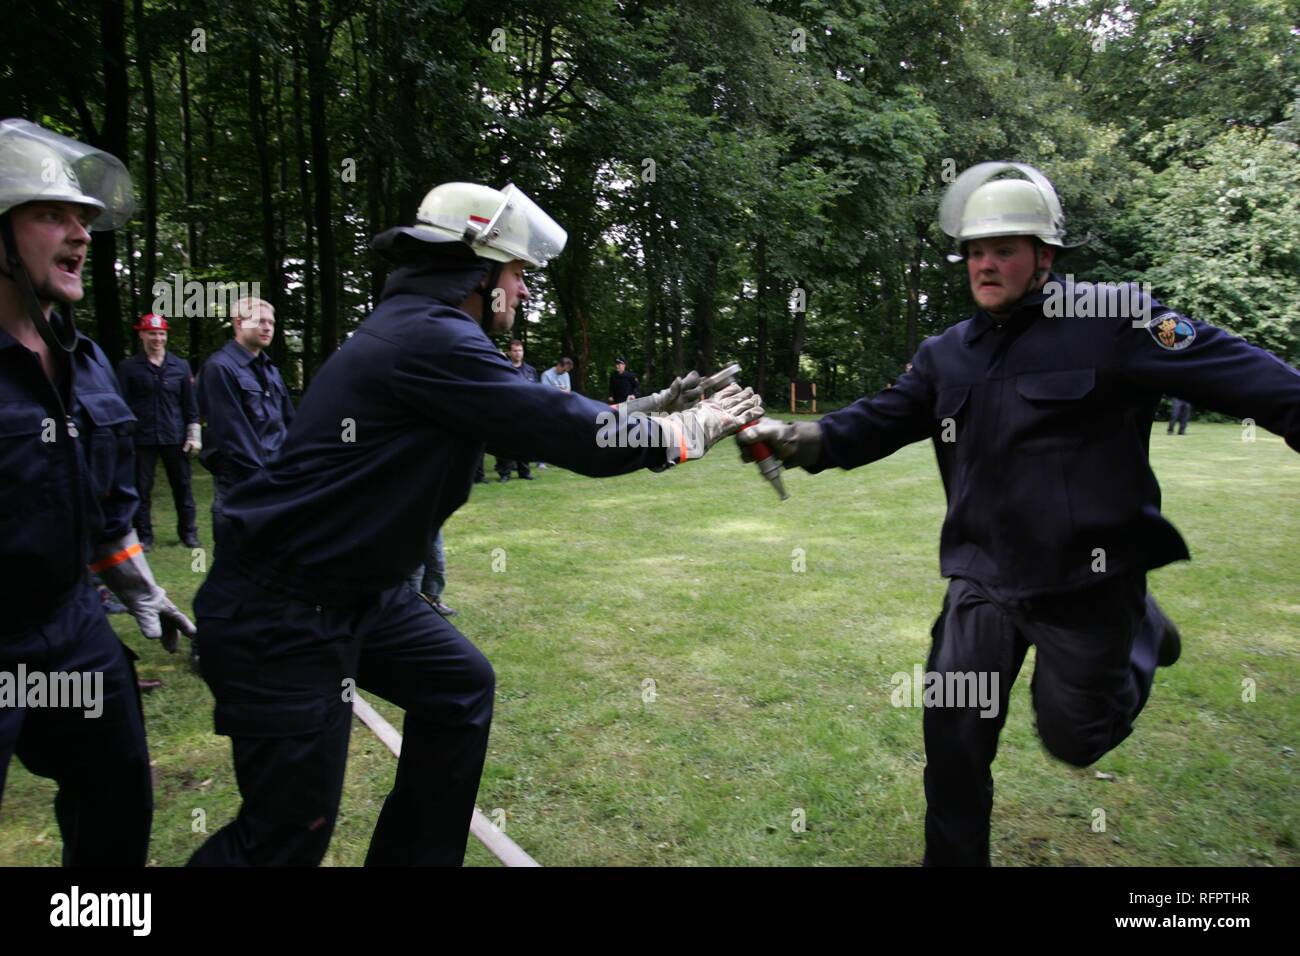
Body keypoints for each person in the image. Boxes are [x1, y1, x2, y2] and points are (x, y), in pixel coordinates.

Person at [740, 160, 1300, 866]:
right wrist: (799, 439)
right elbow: (877, 420)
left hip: (1086, 584)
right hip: (983, 581)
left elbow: (1238, 369)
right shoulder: (948, 355)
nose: (985, 264)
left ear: (1046, 256)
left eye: (1003, 248)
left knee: (1075, 738)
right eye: (975, 251)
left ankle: (1142, 634)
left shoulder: (1113, 321)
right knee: (952, 745)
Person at [188, 181, 760, 866]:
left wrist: (652, 406)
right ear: (476, 268)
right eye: (516, 272)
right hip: (282, 608)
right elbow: (564, 430)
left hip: (354, 594)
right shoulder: (430, 338)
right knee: (284, 835)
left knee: (457, 687)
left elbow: (525, 409)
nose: (523, 291)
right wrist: (688, 429)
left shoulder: (431, 332)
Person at [0, 119, 194, 864]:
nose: (80, 235)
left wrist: (138, 587)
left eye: (83, 218)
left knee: (115, 792)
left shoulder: (84, 366)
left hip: (70, 632)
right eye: (52, 214)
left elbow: (99, 508)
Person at [196, 296, 294, 530]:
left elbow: (288, 419)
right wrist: (265, 477)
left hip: (274, 472)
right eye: (260, 321)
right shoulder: (219, 367)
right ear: (239, 323)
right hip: (240, 478)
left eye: (271, 322)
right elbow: (232, 432)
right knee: (237, 549)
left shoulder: (270, 369)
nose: (267, 327)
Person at [116, 313, 202, 550]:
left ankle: (189, 534)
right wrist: (123, 437)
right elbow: (120, 405)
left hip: (174, 437)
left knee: (183, 487)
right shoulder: (128, 368)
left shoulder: (180, 366)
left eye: (161, 333)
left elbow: (190, 405)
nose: (157, 338)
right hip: (142, 438)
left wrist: (194, 435)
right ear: (141, 335)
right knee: (141, 490)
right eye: (152, 333)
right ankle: (144, 537)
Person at [494, 338, 538, 481]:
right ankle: (505, 473)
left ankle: (524, 472)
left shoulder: (531, 371)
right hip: (507, 411)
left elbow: (536, 391)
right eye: (515, 350)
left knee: (525, 443)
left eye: (520, 350)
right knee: (505, 444)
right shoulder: (502, 369)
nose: (518, 353)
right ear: (509, 352)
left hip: (526, 412)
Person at [408, 528, 454, 617]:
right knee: (415, 570)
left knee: (437, 562)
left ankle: (433, 602)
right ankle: (411, 610)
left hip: (430, 523)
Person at [536, 357, 573, 468]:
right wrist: (561, 391)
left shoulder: (565, 375)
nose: (564, 372)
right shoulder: (546, 375)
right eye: (564, 370)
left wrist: (558, 391)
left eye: (566, 371)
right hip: (548, 409)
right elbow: (547, 393)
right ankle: (541, 461)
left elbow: (568, 392)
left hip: (561, 409)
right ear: (559, 365)